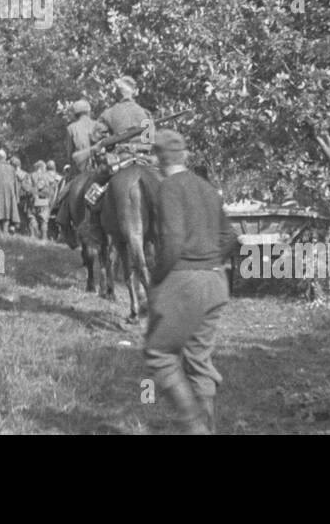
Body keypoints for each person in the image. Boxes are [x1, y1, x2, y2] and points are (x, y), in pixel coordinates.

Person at [143, 129, 238, 435]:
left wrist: (157, 279)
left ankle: (194, 426)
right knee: (199, 359)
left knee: (159, 354)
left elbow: (172, 240)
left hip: (185, 281)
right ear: (184, 155)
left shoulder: (168, 187)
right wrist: (209, 260)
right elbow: (231, 236)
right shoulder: (207, 188)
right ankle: (207, 429)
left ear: (158, 158)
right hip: (215, 281)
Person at [83, 76, 155, 207]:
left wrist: (107, 143)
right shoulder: (146, 113)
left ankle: (94, 224)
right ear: (134, 92)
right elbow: (150, 139)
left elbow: (95, 138)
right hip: (146, 159)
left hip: (121, 158)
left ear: (116, 93)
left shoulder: (109, 113)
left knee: (91, 194)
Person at [52, 99, 96, 245]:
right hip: (99, 168)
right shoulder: (98, 125)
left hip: (80, 169)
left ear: (75, 114)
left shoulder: (71, 128)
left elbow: (69, 153)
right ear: (88, 111)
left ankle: (64, 228)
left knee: (64, 194)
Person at [29, 160, 56, 240]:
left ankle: (33, 236)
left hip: (34, 200)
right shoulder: (48, 176)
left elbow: (27, 187)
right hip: (45, 201)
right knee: (44, 220)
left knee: (32, 217)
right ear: (42, 167)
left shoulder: (31, 175)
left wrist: (33, 195)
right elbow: (52, 189)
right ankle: (44, 238)